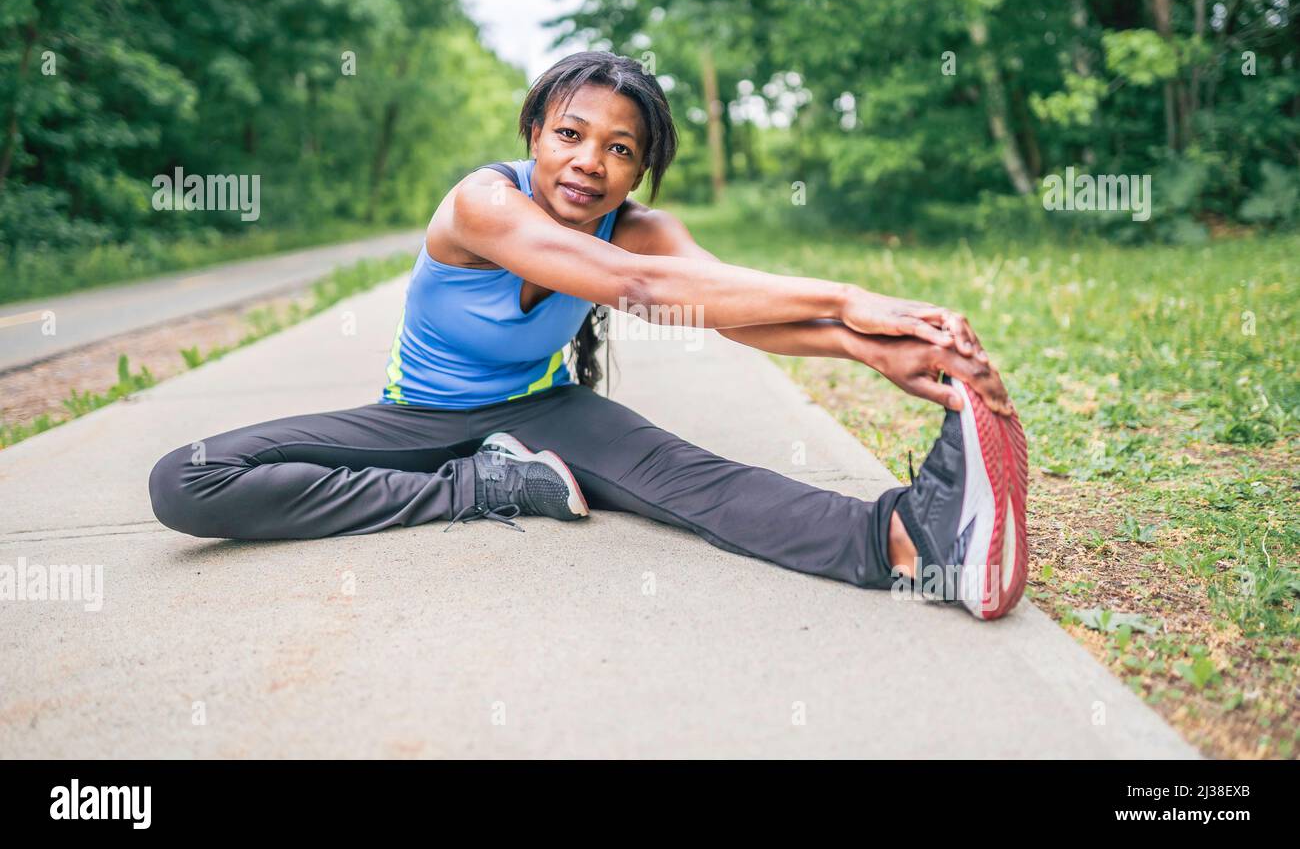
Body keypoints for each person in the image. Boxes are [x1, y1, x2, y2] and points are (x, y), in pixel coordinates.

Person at [149, 51, 1028, 620]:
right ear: (534, 134)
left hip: (547, 413)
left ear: (639, 168)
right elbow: (635, 287)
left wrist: (871, 349)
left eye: (618, 149)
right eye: (569, 134)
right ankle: (482, 486)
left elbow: (727, 309)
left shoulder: (638, 227)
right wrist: (848, 294)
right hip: (415, 420)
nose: (588, 161)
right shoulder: (479, 205)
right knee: (188, 479)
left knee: (698, 483)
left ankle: (913, 538)